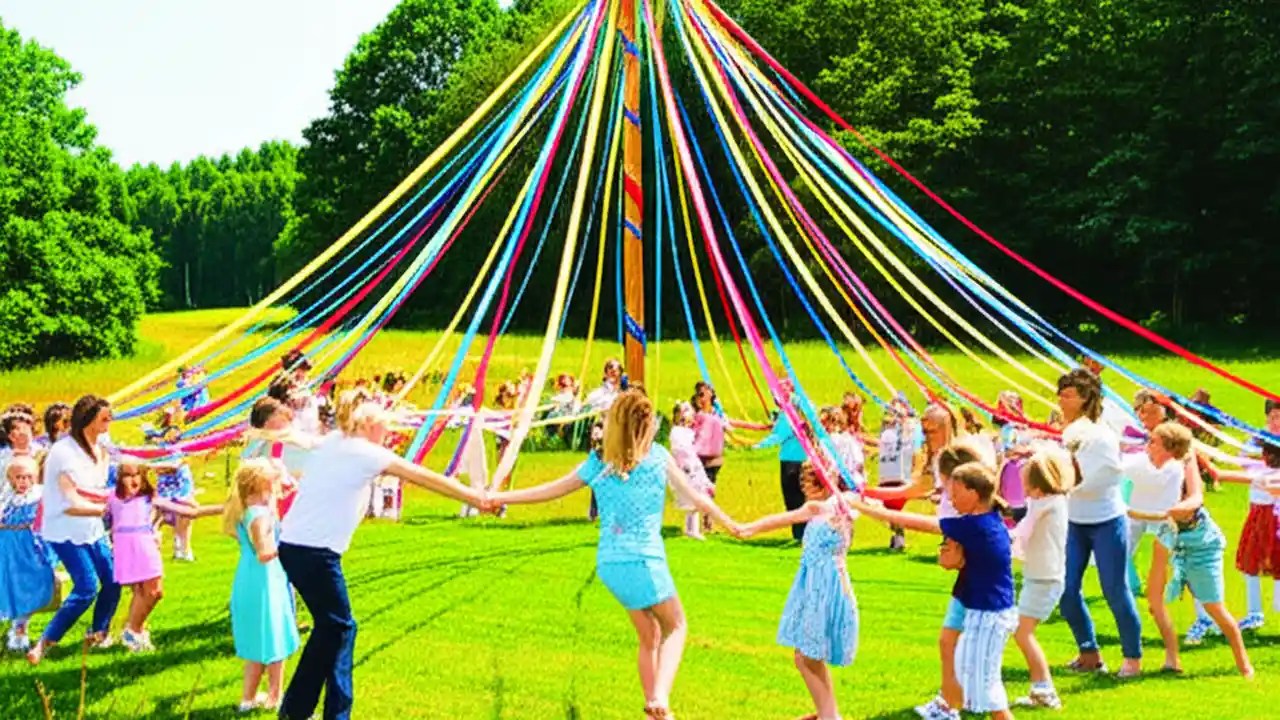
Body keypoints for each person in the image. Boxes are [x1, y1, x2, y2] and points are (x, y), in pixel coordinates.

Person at [490, 390, 745, 720]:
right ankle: (661, 699)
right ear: (647, 425)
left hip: (610, 565)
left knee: (649, 636)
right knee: (676, 626)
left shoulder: (598, 462)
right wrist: (731, 524)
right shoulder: (657, 456)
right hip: (645, 561)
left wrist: (499, 497)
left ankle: (655, 711)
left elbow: (548, 491)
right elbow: (695, 496)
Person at [276, 392, 493, 720]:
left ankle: (317, 710)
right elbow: (424, 477)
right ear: (367, 425)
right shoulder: (365, 452)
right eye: (383, 426)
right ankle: (301, 709)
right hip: (314, 553)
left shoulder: (335, 441)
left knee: (335, 628)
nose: (387, 433)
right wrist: (475, 498)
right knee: (338, 626)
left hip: (296, 548)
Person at [853, 463, 1017, 720]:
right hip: (984, 612)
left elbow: (921, 523)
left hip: (989, 616)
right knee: (973, 679)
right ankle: (947, 710)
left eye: (956, 492)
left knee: (987, 686)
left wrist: (864, 507)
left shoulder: (976, 526)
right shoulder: (982, 522)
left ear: (973, 494)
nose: (951, 498)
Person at [1127, 423, 1254, 678]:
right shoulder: (1145, 465)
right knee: (1154, 602)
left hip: (1199, 540)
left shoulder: (1184, 462)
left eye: (1153, 442)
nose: (1147, 446)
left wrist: (1176, 509)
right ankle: (1172, 660)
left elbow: (1197, 497)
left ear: (1169, 448)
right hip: (1168, 536)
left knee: (1213, 606)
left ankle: (1244, 665)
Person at [740, 462, 858, 720]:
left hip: (823, 587)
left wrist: (749, 528)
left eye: (809, 481)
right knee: (808, 655)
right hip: (822, 584)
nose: (804, 487)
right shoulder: (842, 505)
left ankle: (829, 716)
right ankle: (828, 712)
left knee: (805, 656)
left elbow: (783, 519)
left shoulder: (828, 506)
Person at [1055, 368, 1143, 677]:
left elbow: (1104, 476)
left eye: (1067, 395)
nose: (1060, 400)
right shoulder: (1067, 432)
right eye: (1060, 394)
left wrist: (1061, 482)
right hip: (1075, 521)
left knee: (1114, 589)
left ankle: (1132, 657)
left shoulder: (1101, 434)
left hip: (1106, 520)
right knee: (1065, 590)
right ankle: (1089, 652)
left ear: (1084, 398)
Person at [27, 395, 119, 665]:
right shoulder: (63, 451)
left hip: (90, 527)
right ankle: (44, 643)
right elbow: (70, 500)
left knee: (112, 579)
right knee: (87, 586)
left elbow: (99, 488)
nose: (110, 421)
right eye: (105, 417)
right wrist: (106, 509)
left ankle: (99, 633)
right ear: (89, 419)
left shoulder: (101, 448)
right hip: (64, 529)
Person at [106, 462, 222, 652]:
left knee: (154, 591)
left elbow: (190, 512)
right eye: (127, 475)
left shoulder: (150, 499)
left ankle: (133, 630)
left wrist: (225, 508)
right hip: (125, 545)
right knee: (141, 591)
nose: (133, 480)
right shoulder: (112, 498)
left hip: (145, 544)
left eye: (137, 475)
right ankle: (134, 631)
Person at [225, 459, 301, 713]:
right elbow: (264, 551)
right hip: (265, 579)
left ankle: (248, 699)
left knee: (257, 641)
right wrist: (291, 548)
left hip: (250, 577)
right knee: (274, 637)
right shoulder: (259, 516)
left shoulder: (245, 510)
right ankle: (274, 696)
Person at [1009, 449, 1074, 709]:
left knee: (1023, 633)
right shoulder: (1048, 502)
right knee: (1022, 632)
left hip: (1045, 578)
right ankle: (1040, 689)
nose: (1024, 490)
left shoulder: (1047, 505)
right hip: (1039, 576)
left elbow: (1023, 530)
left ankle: (1046, 689)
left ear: (1039, 485)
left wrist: (1003, 540)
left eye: (1027, 483)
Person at [1205, 439, 1280, 632]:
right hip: (1261, 518)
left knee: (1259, 565)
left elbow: (1220, 473)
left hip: (1268, 520)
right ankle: (1255, 613)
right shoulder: (1260, 470)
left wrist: (1195, 453)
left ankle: (1256, 613)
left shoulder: (1264, 475)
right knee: (1254, 562)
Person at [1, 456, 56, 652]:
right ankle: (18, 627)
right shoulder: (7, 500)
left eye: (27, 477)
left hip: (31, 550)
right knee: (11, 585)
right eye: (18, 477)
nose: (23, 481)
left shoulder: (38, 498)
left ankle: (21, 624)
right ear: (10, 479)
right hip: (9, 550)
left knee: (31, 585)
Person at [755, 381, 809, 540]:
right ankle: (800, 534)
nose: (774, 395)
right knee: (798, 499)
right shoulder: (796, 409)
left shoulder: (790, 412)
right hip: (800, 459)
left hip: (792, 461)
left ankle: (800, 535)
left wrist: (755, 446)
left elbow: (779, 435)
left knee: (793, 499)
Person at [668, 402, 714, 540]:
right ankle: (692, 530)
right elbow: (679, 450)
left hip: (693, 466)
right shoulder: (677, 432)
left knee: (696, 498)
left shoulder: (688, 431)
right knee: (692, 499)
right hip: (687, 467)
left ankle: (691, 529)